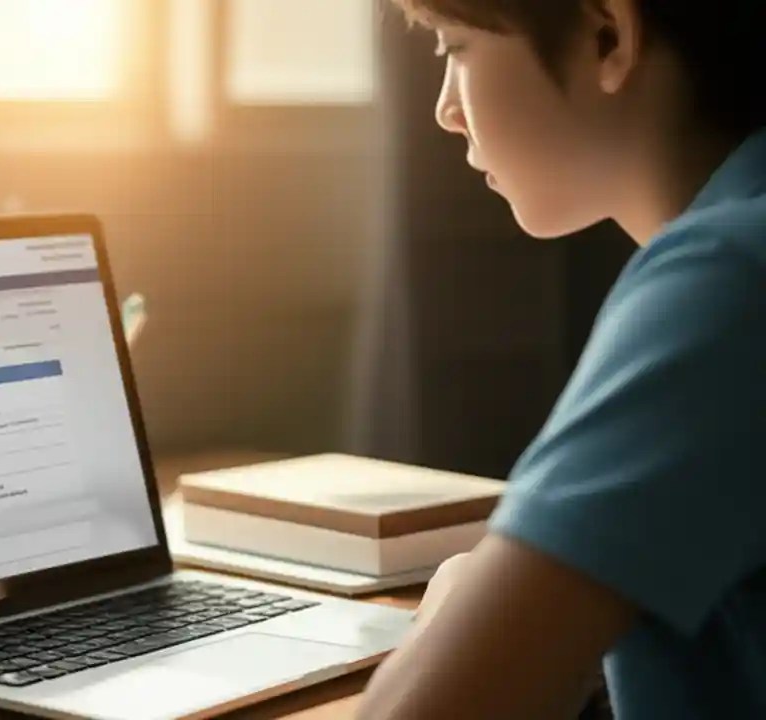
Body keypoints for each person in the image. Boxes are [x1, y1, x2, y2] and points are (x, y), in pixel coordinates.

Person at [356, 0, 766, 718]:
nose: (445, 112)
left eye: (455, 48)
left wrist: (461, 613)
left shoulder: (729, 282)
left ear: (608, 34)